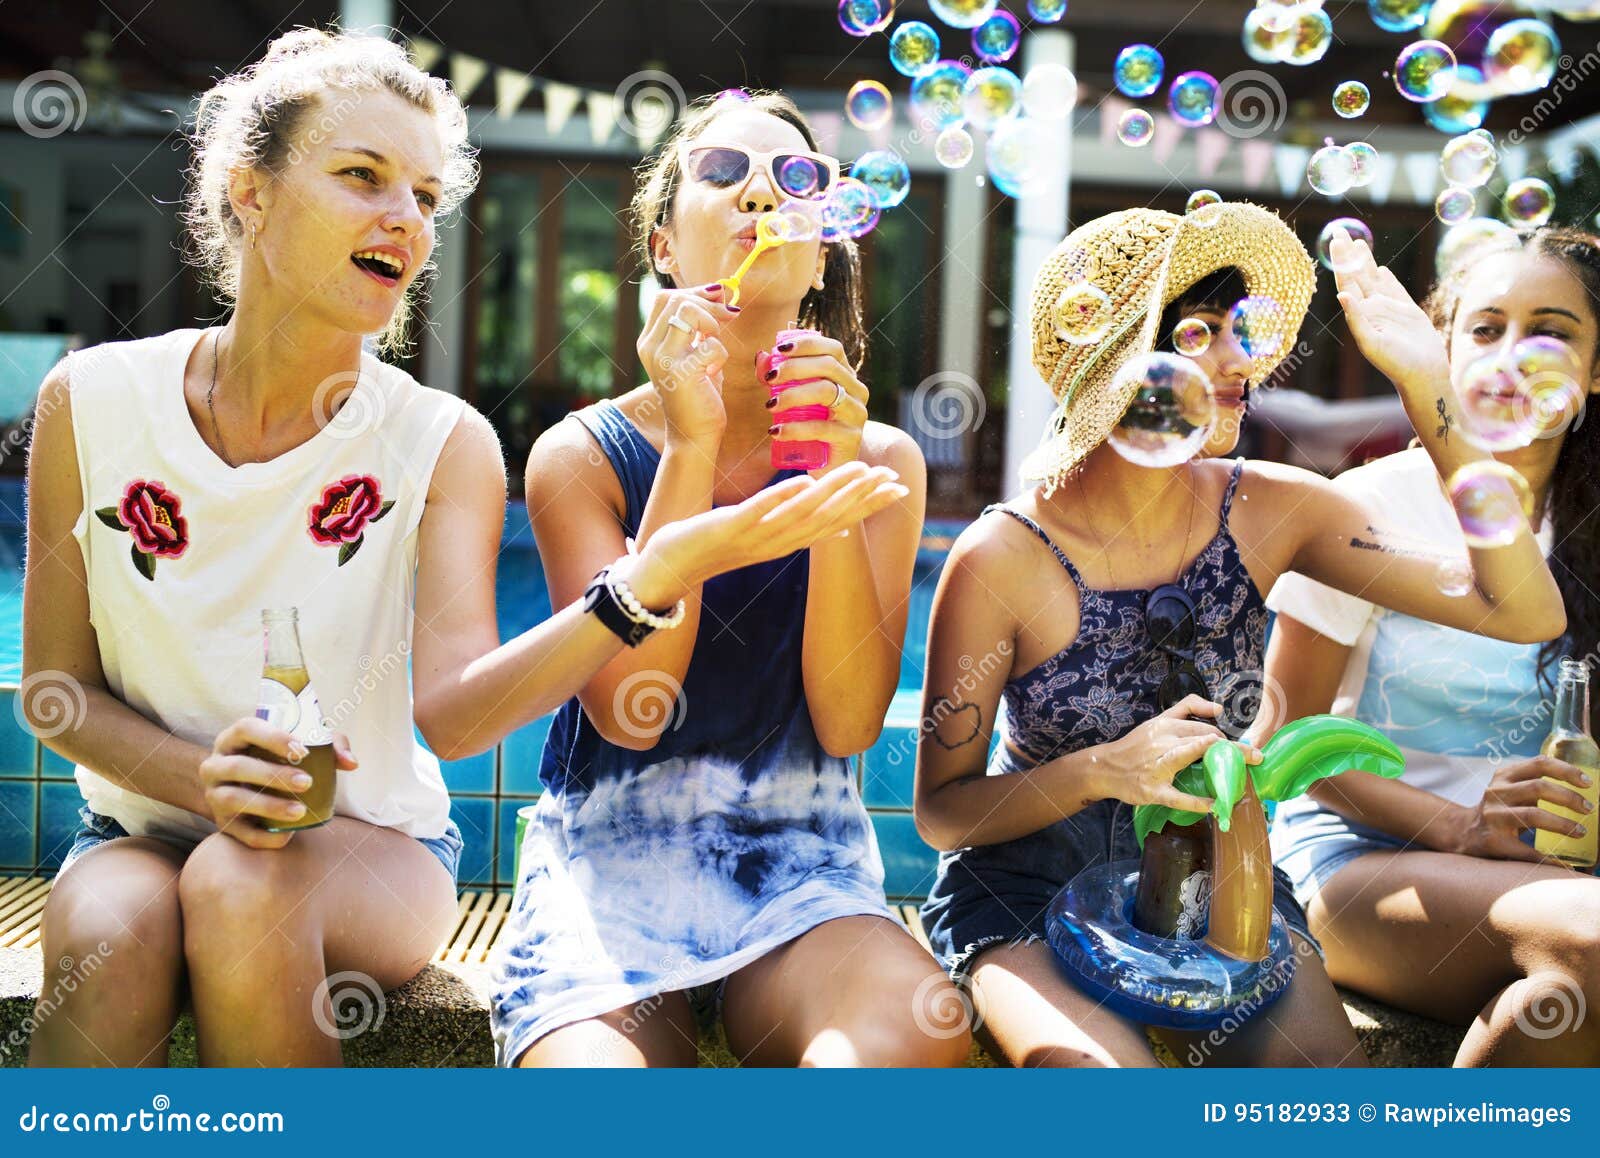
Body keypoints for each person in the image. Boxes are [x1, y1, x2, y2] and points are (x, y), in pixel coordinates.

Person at [24, 32, 905, 1068]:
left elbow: (453, 714)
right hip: (139, 828)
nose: (404, 218)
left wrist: (665, 568)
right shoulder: (89, 402)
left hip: (363, 844)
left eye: (426, 198)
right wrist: (193, 774)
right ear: (247, 191)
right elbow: (53, 687)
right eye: (363, 177)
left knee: (238, 885)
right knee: (112, 931)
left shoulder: (438, 440)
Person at [913, 204, 1567, 1068]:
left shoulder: (1270, 507)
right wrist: (1102, 771)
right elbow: (940, 812)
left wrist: (1426, 384)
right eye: (1197, 333)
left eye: (1239, 330)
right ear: (1109, 356)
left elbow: (1522, 609)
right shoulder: (1001, 556)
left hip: (1226, 874)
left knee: (1325, 1107)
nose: (1237, 360)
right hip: (1028, 889)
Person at [490, 90, 968, 1069]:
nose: (760, 190)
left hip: (804, 866)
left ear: (824, 244)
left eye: (795, 178)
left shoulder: (880, 461)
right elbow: (632, 710)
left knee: (904, 1046)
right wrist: (693, 443)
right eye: (722, 172)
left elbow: (844, 725)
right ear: (664, 245)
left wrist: (830, 479)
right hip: (607, 861)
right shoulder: (581, 455)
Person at [1263, 226, 1600, 1066]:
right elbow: (1282, 740)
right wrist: (1456, 826)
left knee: (1558, 999)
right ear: (1441, 350)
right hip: (1362, 865)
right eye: (1486, 329)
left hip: (1560, 884)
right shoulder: (1366, 510)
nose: (1514, 354)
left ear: (1597, 370)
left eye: (1551, 330)